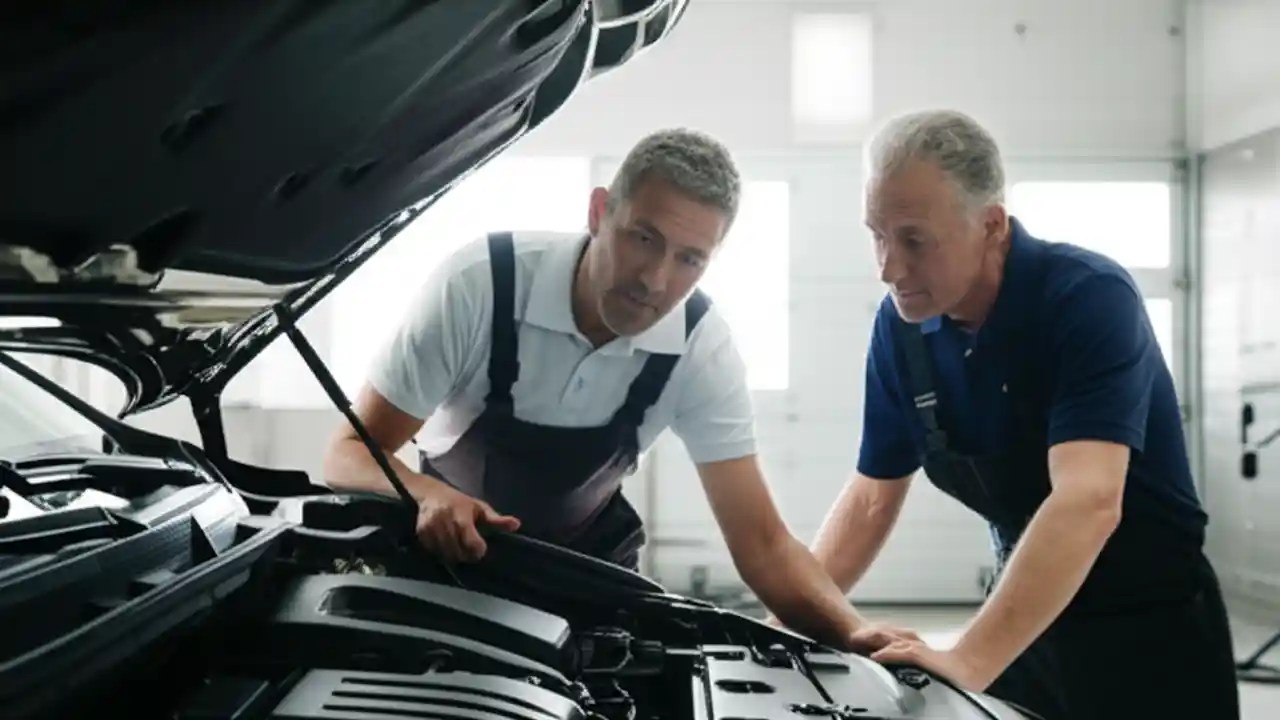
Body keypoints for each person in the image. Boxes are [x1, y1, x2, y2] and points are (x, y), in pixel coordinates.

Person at [322, 128, 905, 652]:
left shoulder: (699, 344)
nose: (654, 279)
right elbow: (348, 452)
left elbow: (764, 544)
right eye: (643, 238)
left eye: (689, 259)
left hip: (586, 583)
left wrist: (855, 633)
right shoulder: (482, 285)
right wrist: (426, 493)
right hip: (448, 566)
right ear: (599, 211)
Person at [804, 109, 1240, 719]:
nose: (888, 267)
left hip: (1152, 629)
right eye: (876, 234)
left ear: (991, 225)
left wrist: (969, 659)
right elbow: (872, 499)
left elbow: (1089, 500)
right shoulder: (901, 328)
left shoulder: (1087, 297)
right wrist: (786, 625)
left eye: (914, 240)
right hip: (1024, 623)